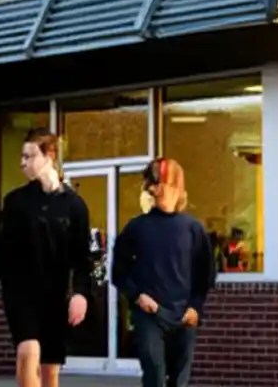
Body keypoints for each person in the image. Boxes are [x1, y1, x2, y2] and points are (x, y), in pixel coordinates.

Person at [0, 129, 92, 387]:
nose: (22, 163)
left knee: (50, 368)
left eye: (29, 156)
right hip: (20, 292)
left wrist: (81, 294)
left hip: (55, 293)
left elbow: (82, 256)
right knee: (28, 351)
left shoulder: (74, 206)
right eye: (22, 156)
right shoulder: (16, 202)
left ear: (49, 156)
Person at [111, 158, 215, 387]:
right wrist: (137, 296)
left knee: (179, 380)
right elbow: (119, 271)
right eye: (152, 183)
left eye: (158, 182)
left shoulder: (192, 229)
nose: (153, 188)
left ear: (173, 186)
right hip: (149, 315)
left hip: (184, 316)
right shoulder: (136, 228)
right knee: (155, 375)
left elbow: (205, 274)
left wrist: (196, 307)